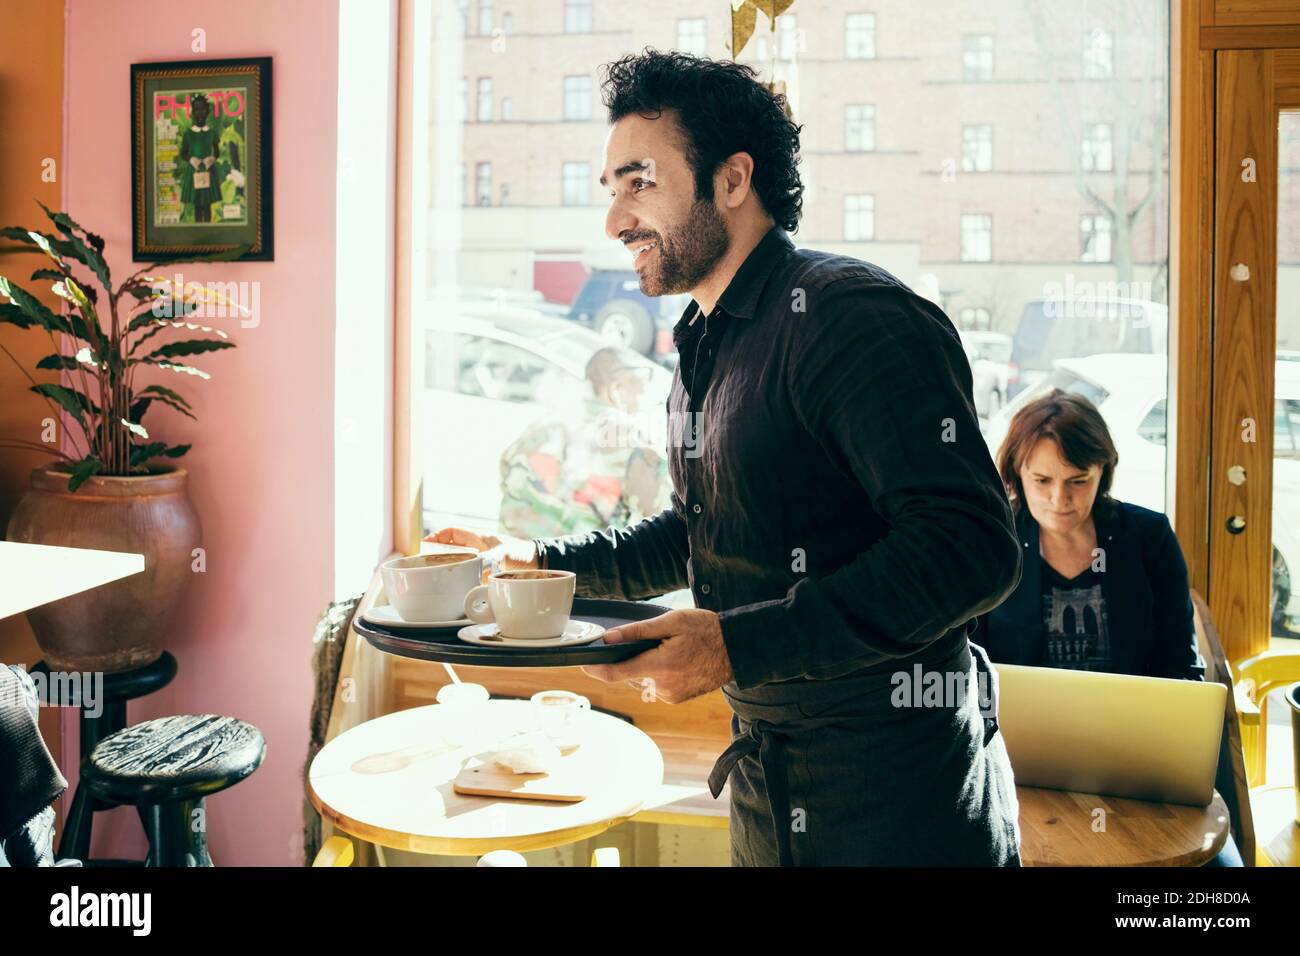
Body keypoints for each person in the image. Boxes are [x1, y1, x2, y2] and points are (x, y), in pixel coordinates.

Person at [433, 50, 1023, 866]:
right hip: (765, 774)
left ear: (734, 178)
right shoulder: (705, 342)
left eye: (639, 182)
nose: (614, 221)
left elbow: (970, 551)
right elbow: (699, 532)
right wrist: (536, 561)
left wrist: (735, 646)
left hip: (896, 789)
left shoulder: (849, 317)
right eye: (611, 190)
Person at [969, 388, 1243, 866]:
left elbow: (1179, 670)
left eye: (1078, 480)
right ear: (1016, 475)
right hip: (1022, 772)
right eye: (1042, 480)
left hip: (1143, 767)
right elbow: (973, 676)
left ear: (1103, 473)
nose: (1060, 500)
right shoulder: (996, 545)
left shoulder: (1148, 538)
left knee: (1223, 869)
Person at [497, 345, 670, 537]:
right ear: (616, 390)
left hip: (516, 558)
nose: (641, 404)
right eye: (639, 392)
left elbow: (506, 469)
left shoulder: (542, 425)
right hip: (576, 562)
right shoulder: (631, 438)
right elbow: (668, 516)